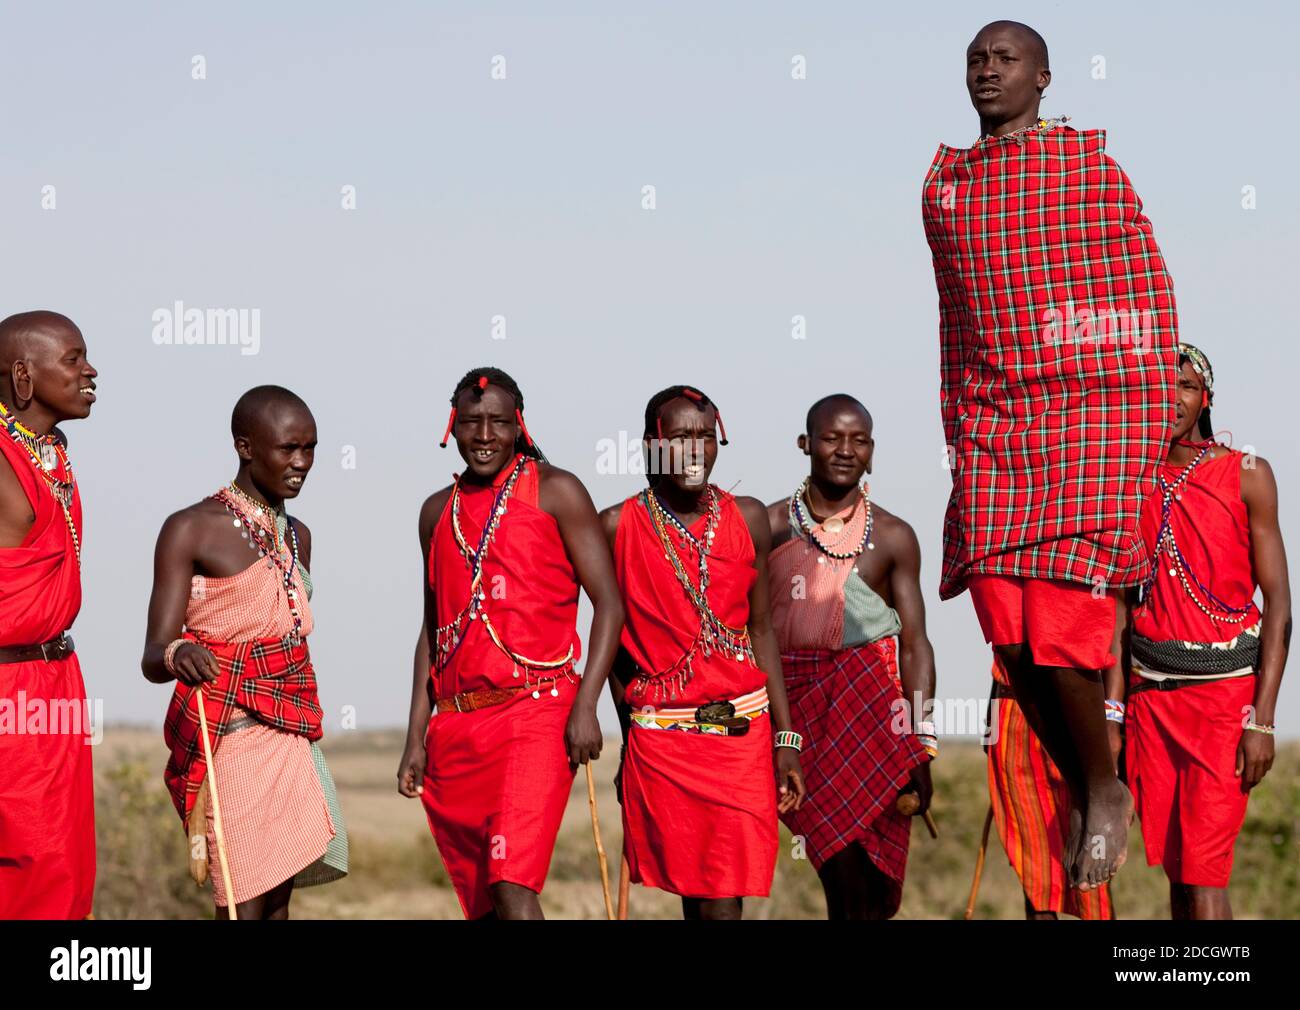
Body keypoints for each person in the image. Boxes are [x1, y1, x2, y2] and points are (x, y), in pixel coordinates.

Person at [922, 20, 1179, 888]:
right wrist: (960, 411)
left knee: (1063, 619)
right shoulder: (948, 190)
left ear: (1044, 77)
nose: (987, 71)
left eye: (1006, 60)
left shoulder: (1084, 172)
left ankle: (1103, 788)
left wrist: (1139, 405)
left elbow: (1143, 289)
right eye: (977, 59)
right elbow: (956, 313)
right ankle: (1084, 771)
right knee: (1000, 607)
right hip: (996, 420)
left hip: (1088, 417)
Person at [397, 368, 623, 920]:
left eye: (498, 422)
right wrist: (414, 736)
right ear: (452, 425)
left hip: (537, 713)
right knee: (486, 903)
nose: (484, 435)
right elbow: (433, 629)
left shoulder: (557, 491)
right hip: (457, 727)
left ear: (519, 425)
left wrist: (587, 706)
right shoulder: (436, 512)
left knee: (511, 884)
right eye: (471, 422)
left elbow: (610, 604)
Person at [143, 385, 348, 919]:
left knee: (278, 908)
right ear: (246, 446)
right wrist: (178, 654)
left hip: (290, 740)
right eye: (288, 449)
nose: (302, 463)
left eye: (311, 448)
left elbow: (289, 645)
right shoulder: (190, 528)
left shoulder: (299, 535)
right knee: (240, 907)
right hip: (229, 745)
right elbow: (153, 652)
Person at [602, 384, 805, 920]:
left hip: (742, 737)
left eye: (706, 437)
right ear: (653, 444)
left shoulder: (750, 518)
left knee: (722, 897)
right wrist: (629, 744)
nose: (695, 450)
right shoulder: (617, 527)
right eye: (680, 437)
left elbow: (763, 632)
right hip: (662, 741)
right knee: (698, 896)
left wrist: (787, 738)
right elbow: (615, 654)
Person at [1123, 343, 1290, 919]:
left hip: (1223, 703)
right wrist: (1115, 714)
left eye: (1186, 386)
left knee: (1205, 874)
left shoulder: (1246, 473)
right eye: (1160, 385)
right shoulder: (1128, 480)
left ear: (1205, 399)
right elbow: (1118, 609)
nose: (1172, 397)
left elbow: (1281, 605)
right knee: (1176, 870)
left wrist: (1262, 719)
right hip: (1149, 701)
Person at [765, 394, 934, 919]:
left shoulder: (893, 536)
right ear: (805, 445)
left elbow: (915, 643)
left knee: (868, 883)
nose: (845, 450)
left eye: (858, 440)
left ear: (872, 451)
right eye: (832, 438)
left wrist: (921, 741)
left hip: (873, 717)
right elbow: (749, 630)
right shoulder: (767, 528)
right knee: (837, 867)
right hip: (796, 719)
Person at [0, 310, 97, 919]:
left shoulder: (48, 454)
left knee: (67, 865)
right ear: (23, 376)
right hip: (10, 684)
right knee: (33, 863)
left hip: (57, 677)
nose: (90, 372)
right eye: (73, 359)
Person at [985, 654, 1115, 920]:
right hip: (1011, 712)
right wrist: (990, 725)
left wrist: (1112, 721)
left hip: (1077, 713)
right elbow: (1004, 645)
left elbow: (1108, 644)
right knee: (1032, 855)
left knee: (1092, 851)